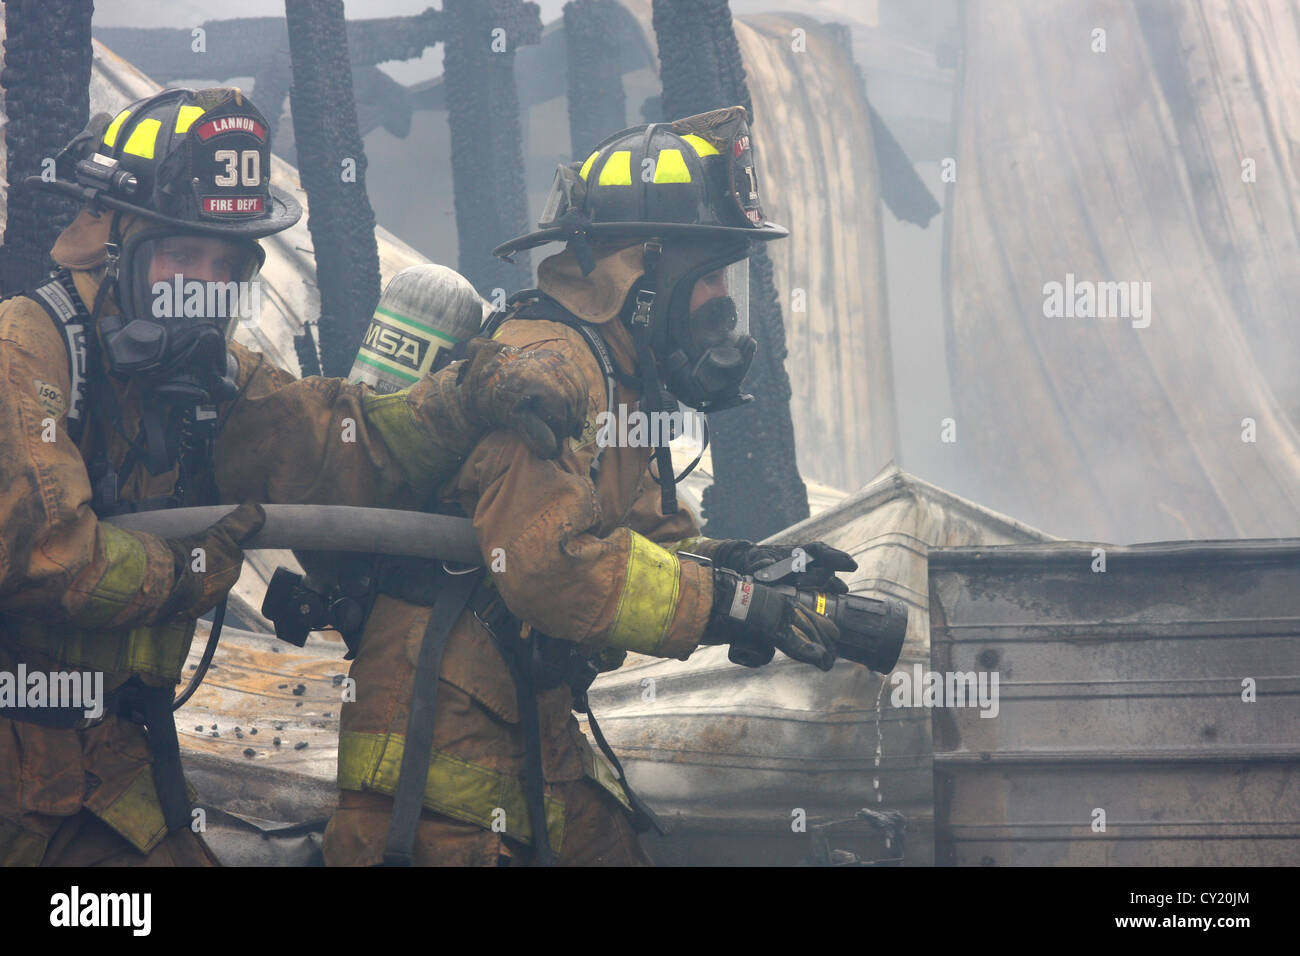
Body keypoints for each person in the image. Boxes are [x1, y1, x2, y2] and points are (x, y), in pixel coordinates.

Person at [0, 87, 587, 866]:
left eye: (225, 265)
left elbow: (338, 441)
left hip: (99, 761)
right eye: (181, 256)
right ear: (109, 241)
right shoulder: (26, 353)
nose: (201, 291)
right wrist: (193, 569)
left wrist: (467, 397)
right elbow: (50, 557)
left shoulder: (207, 379)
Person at [324, 106, 857, 867]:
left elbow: (640, 542)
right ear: (645, 272)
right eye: (708, 276)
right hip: (437, 763)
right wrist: (733, 606)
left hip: (521, 729)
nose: (723, 303)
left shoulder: (615, 374)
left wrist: (752, 568)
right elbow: (550, 566)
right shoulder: (549, 370)